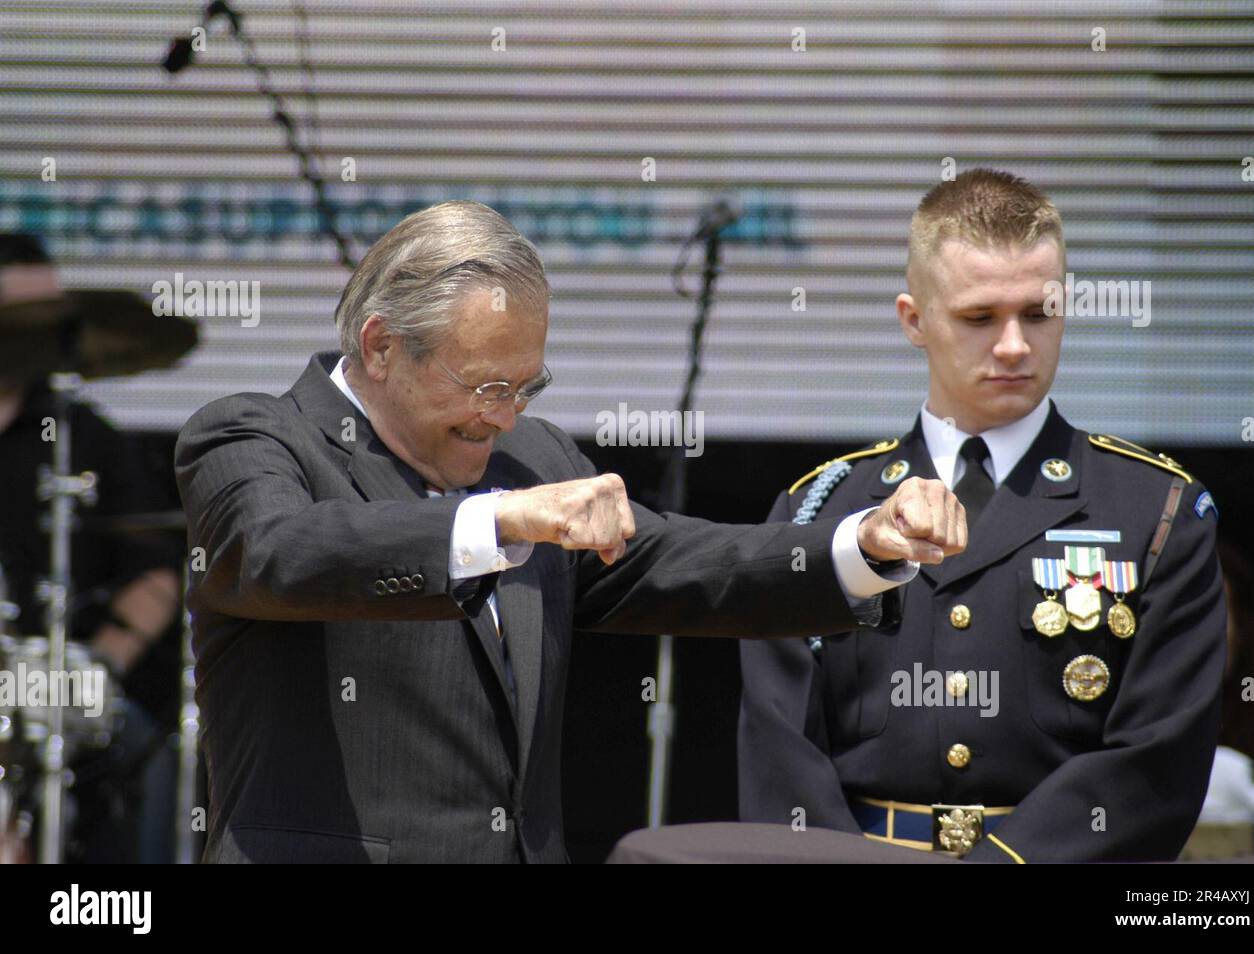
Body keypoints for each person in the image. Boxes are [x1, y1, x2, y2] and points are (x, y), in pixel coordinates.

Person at [174, 200, 966, 863]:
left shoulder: (530, 458)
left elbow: (680, 561)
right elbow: (279, 553)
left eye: (527, 385)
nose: (507, 414)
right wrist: (496, 519)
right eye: (485, 385)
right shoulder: (254, 438)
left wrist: (861, 546)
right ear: (382, 347)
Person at [738, 169, 1227, 863]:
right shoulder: (821, 509)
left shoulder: (1156, 510)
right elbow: (779, 750)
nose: (1014, 346)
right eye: (979, 317)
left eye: (1039, 312)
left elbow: (1158, 760)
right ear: (914, 320)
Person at [0, 233, 182, 862]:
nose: (35, 333)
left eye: (49, 319)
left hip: (62, 672)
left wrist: (100, 664)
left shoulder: (88, 440)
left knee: (155, 753)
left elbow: (156, 574)